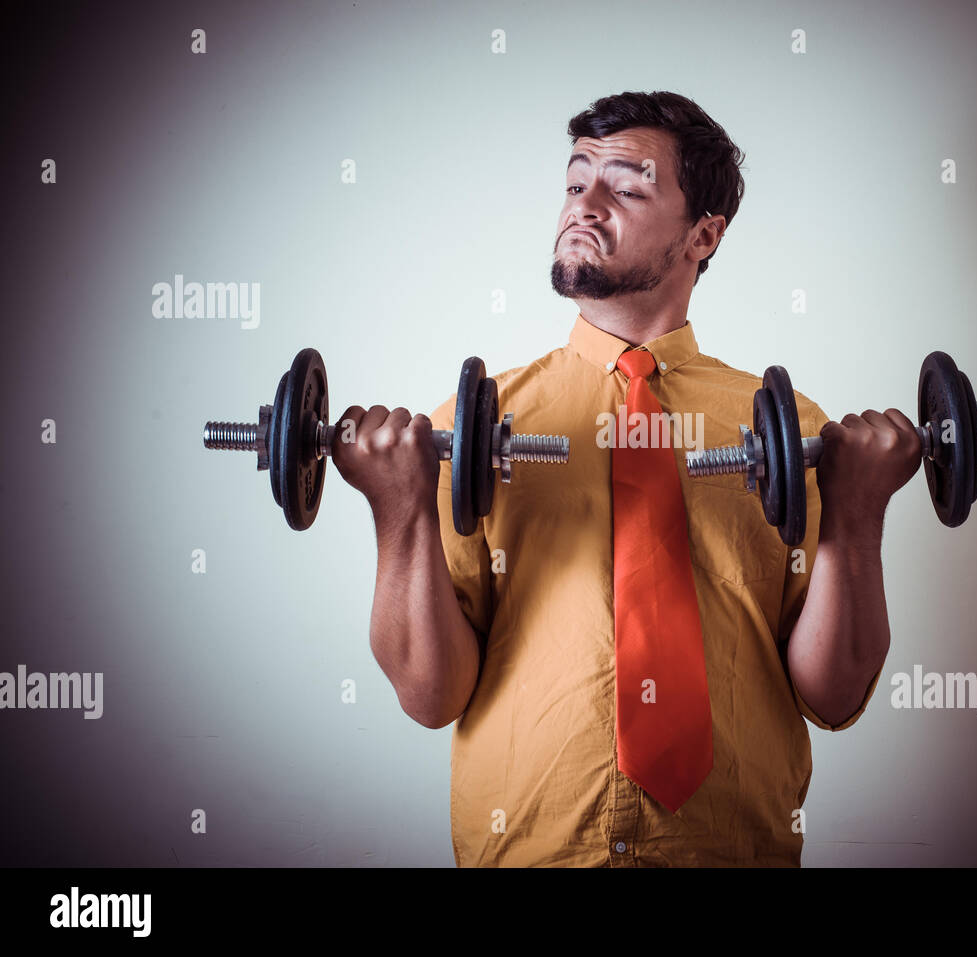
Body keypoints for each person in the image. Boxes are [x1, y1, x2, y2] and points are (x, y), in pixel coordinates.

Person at [332, 91, 920, 866]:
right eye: (576, 182)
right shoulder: (476, 422)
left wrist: (857, 513)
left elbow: (833, 694)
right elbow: (429, 695)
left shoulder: (792, 428)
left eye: (628, 186)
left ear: (703, 235)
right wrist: (398, 509)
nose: (585, 204)